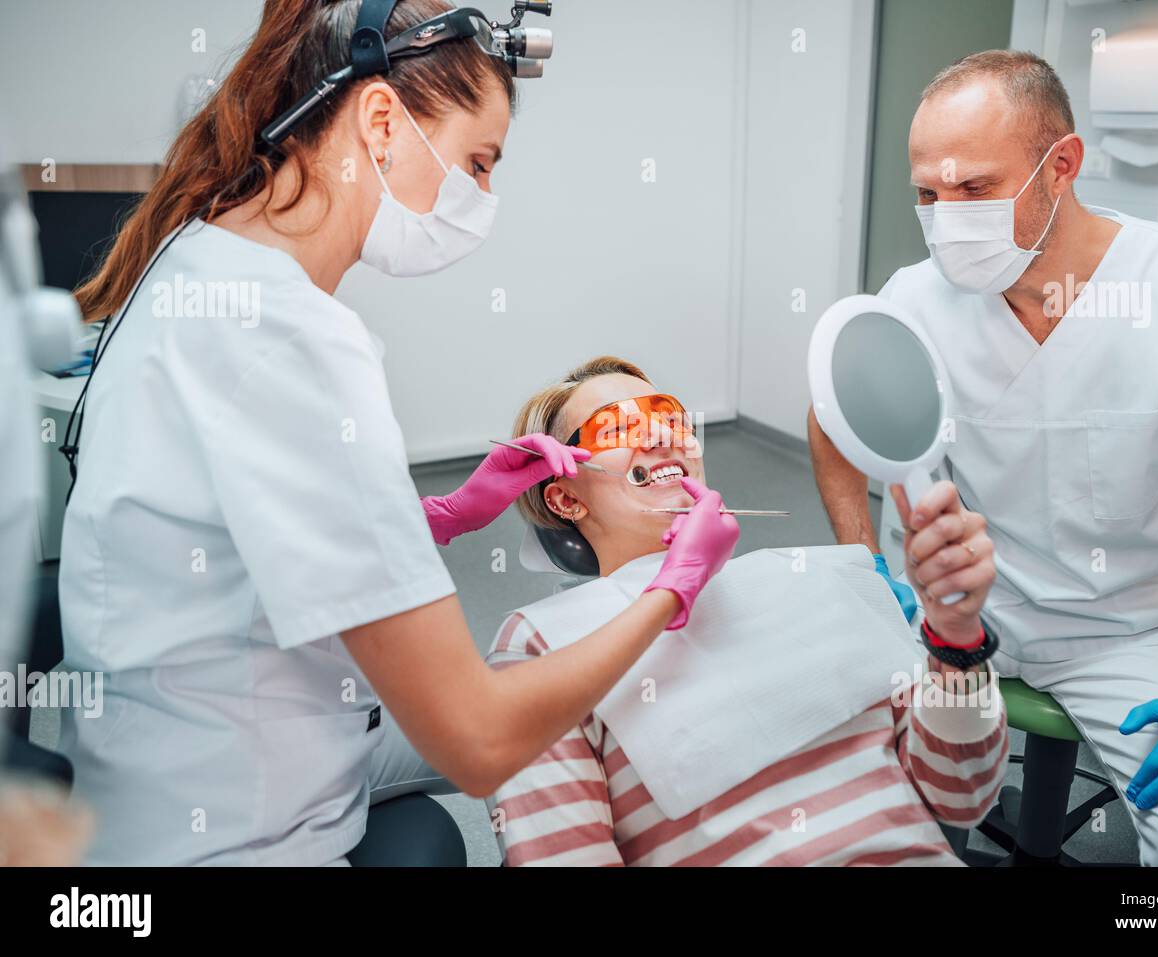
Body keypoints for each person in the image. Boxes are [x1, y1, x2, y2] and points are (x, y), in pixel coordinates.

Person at [55, 0, 736, 865]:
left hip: (200, 733)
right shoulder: (288, 338)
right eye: (477, 163)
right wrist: (670, 591)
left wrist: (449, 513)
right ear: (381, 119)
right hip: (224, 818)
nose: (482, 199)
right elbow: (477, 740)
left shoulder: (206, 263)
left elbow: (273, 530)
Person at [808, 51, 1158, 866]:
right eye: (927, 194)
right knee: (862, 833)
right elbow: (832, 419)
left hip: (1127, 633)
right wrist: (867, 568)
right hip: (943, 616)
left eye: (973, 188)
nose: (944, 218)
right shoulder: (914, 297)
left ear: (1061, 165)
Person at [485, 356, 1007, 866]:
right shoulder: (542, 647)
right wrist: (671, 590)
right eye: (619, 427)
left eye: (668, 416)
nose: (661, 434)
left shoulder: (819, 578)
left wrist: (956, 636)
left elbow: (962, 793)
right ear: (566, 501)